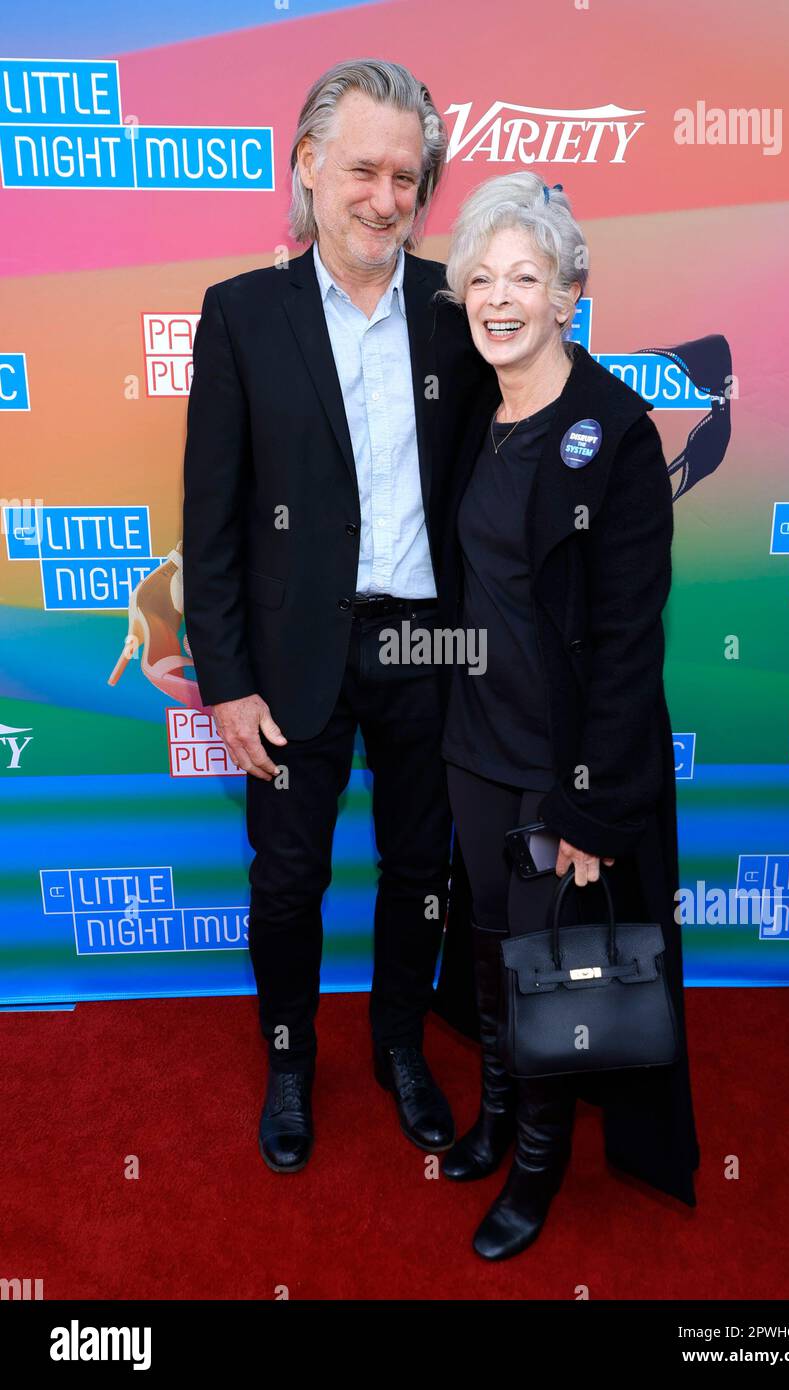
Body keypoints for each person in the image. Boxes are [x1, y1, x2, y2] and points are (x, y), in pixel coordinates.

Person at [181, 59, 492, 1174]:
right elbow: (208, 524)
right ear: (307, 165)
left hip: (430, 644)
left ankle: (401, 1048)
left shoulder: (464, 312)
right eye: (362, 167)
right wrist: (223, 682)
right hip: (289, 652)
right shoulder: (240, 317)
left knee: (422, 867)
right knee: (287, 877)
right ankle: (289, 1060)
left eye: (407, 176)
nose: (385, 197)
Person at [432, 172, 701, 1259]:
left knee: (551, 970)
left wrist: (594, 806)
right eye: (481, 279)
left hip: (563, 768)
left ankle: (537, 1168)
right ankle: (496, 1117)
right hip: (473, 743)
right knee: (496, 953)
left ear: (567, 297)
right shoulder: (474, 418)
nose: (500, 299)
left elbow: (632, 640)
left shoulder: (616, 432)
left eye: (524, 278)